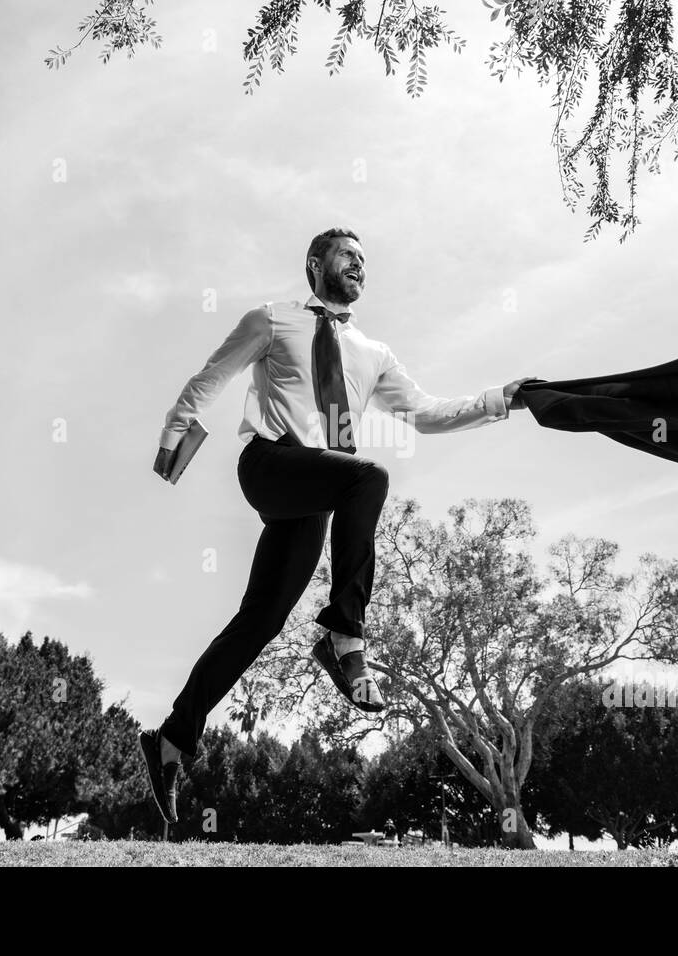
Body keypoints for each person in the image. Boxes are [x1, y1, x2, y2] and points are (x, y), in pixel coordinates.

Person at [138, 227, 535, 823]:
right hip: (269, 463)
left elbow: (427, 415)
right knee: (367, 478)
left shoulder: (373, 354)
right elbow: (210, 377)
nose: (360, 266)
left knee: (259, 624)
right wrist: (177, 433)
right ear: (315, 263)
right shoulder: (272, 320)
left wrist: (500, 399)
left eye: (365, 261)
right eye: (349, 256)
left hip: (314, 497)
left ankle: (171, 740)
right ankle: (344, 635)